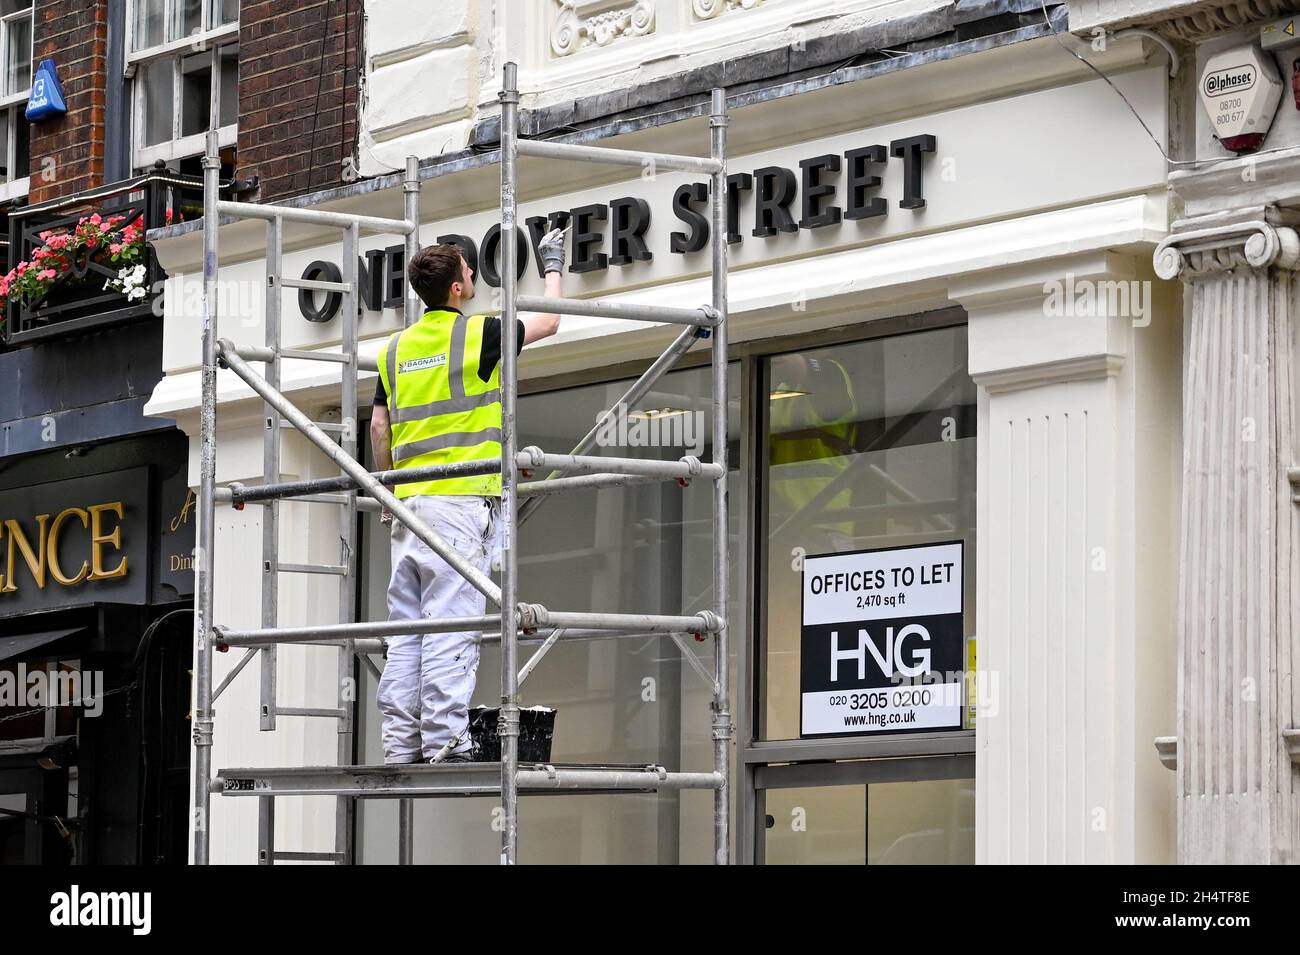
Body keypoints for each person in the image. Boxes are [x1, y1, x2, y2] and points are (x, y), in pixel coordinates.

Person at [370, 230, 566, 763]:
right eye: (470, 272)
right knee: (451, 626)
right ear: (458, 287)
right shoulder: (478, 335)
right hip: (459, 505)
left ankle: (399, 744)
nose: (476, 277)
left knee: (407, 629)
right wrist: (552, 267)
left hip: (409, 509)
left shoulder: (394, 350)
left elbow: (380, 428)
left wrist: (388, 491)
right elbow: (549, 321)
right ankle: (444, 741)